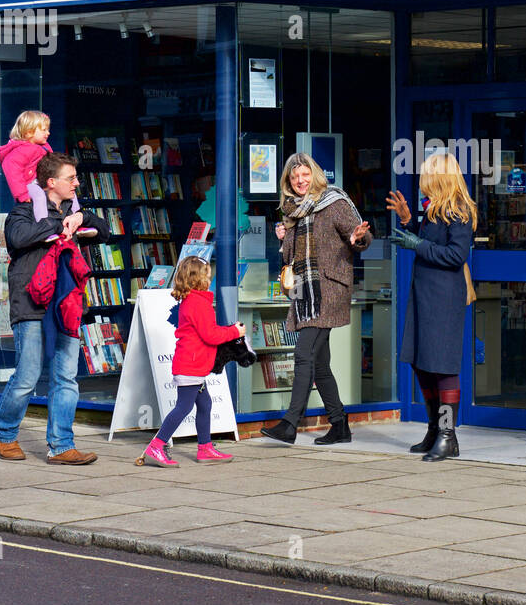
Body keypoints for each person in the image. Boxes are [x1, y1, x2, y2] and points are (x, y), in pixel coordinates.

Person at [0, 152, 110, 464]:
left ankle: (61, 446)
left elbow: (105, 230)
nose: (76, 183)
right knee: (28, 375)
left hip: (66, 304)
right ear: (51, 182)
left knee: (66, 377)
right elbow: (18, 238)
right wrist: (60, 223)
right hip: (31, 303)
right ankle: (5, 432)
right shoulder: (23, 212)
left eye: (76, 178)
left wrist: (83, 218)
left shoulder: (77, 210)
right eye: (70, 178)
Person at [260, 153, 371, 445]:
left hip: (329, 290)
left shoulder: (334, 202)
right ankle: (340, 426)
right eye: (294, 177)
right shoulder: (292, 210)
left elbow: (361, 238)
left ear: (315, 175)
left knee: (303, 353)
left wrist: (357, 238)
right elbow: (290, 259)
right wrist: (283, 238)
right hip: (303, 291)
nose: (300, 181)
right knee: (319, 364)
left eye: (305, 175)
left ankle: (289, 423)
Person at [386, 151, 476, 463]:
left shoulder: (459, 212)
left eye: (426, 175)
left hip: (443, 298)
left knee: (443, 365)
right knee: (421, 361)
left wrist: (417, 244)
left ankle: (448, 437)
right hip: (424, 294)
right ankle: (434, 429)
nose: (422, 181)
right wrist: (410, 222)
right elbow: (430, 243)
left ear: (439, 177)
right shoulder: (433, 210)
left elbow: (455, 255)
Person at [138, 257, 243, 467]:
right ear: (198, 278)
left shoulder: (194, 301)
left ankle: (205, 448)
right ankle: (156, 446)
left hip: (193, 365)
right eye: (207, 272)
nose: (210, 275)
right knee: (183, 407)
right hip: (191, 366)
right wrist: (234, 331)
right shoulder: (198, 303)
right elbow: (210, 335)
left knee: (205, 404)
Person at [0, 110, 87, 226]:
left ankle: (75, 220)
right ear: (29, 132)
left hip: (43, 181)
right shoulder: (20, 150)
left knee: (69, 191)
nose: (48, 133)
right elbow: (13, 173)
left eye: (48, 129)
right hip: (29, 184)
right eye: (44, 130)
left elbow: (53, 164)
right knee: (39, 195)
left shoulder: (44, 147)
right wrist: (22, 194)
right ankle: (44, 226)